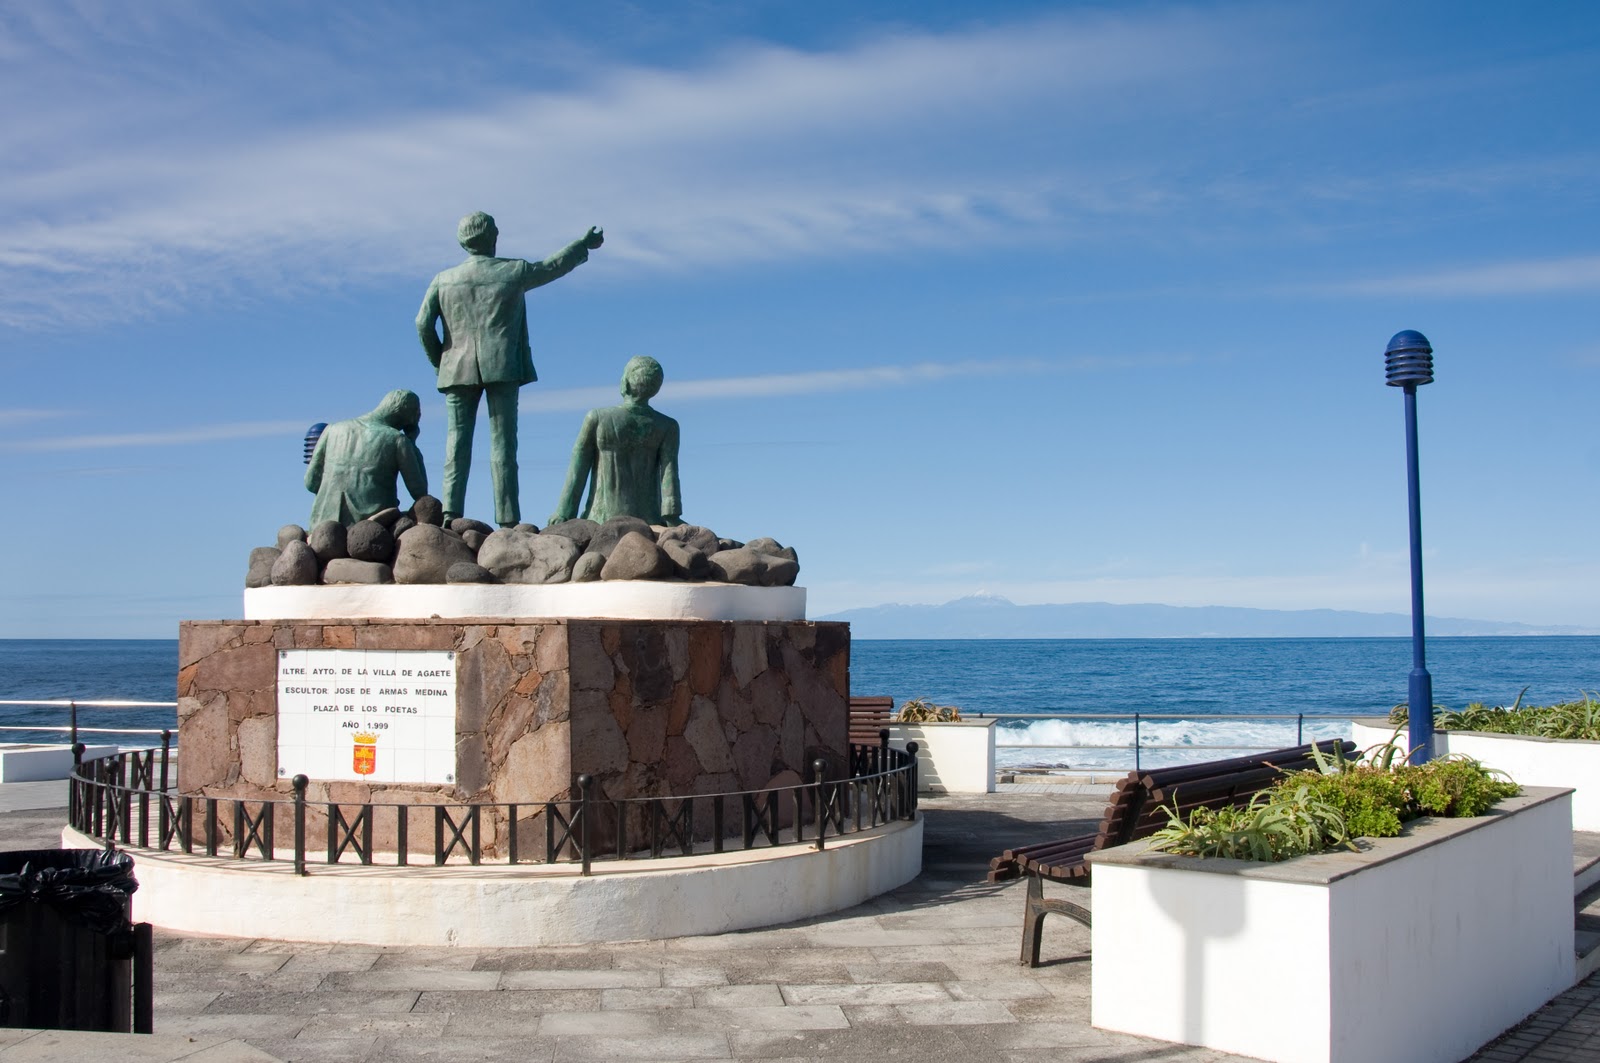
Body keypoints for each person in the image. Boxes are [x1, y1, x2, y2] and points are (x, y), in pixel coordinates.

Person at [416, 211, 604, 527]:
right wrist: (582, 244)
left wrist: (442, 361)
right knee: (503, 444)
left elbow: (422, 324)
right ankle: (507, 519)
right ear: (492, 237)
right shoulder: (511, 271)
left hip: (455, 369)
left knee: (456, 444)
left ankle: (450, 513)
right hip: (502, 365)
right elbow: (551, 267)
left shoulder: (443, 279)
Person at [549, 356, 682, 527]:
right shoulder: (667, 425)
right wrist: (672, 515)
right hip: (649, 519)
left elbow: (578, 468)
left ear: (625, 382)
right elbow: (670, 473)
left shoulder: (597, 418)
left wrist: (564, 513)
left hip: (601, 518)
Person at [305, 389, 428, 525]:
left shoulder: (331, 429)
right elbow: (420, 492)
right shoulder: (398, 439)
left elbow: (311, 483)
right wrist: (412, 443)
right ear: (408, 419)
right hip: (374, 528)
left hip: (323, 525)